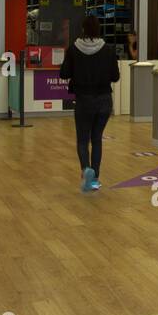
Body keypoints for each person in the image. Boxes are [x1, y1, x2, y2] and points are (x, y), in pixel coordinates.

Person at [60, 15, 120, 192]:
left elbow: (63, 74)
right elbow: (115, 77)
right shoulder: (109, 49)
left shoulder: (73, 49)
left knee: (82, 140)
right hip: (104, 100)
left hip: (83, 100)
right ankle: (94, 179)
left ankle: (86, 169)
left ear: (83, 29)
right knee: (97, 139)